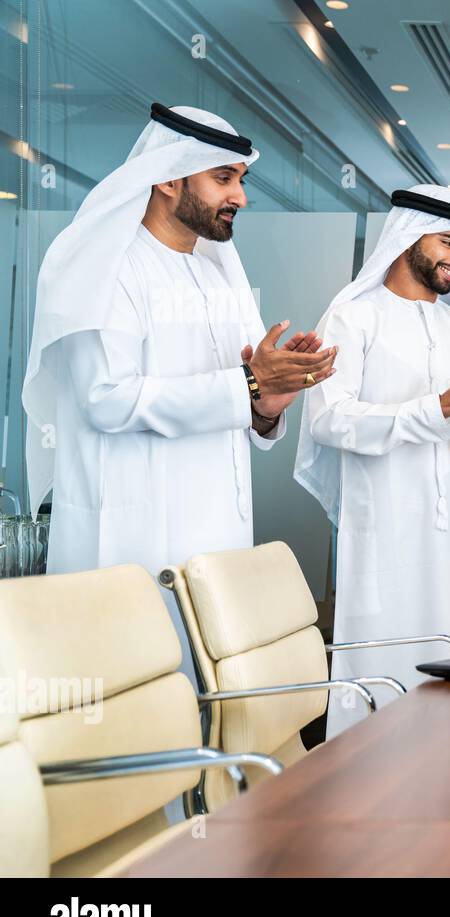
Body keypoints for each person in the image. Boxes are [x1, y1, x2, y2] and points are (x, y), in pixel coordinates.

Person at [23, 102, 332, 683]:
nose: (239, 196)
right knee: (142, 711)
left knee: (221, 710)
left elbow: (242, 397)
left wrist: (267, 405)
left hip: (220, 538)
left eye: (240, 180)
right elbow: (106, 397)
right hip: (136, 533)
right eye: (224, 178)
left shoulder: (218, 272)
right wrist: (245, 385)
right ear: (168, 177)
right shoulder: (108, 267)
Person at [295, 186, 450, 735]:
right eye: (449, 243)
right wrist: (431, 410)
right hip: (386, 530)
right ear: (407, 236)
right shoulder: (353, 317)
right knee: (382, 663)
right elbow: (328, 419)